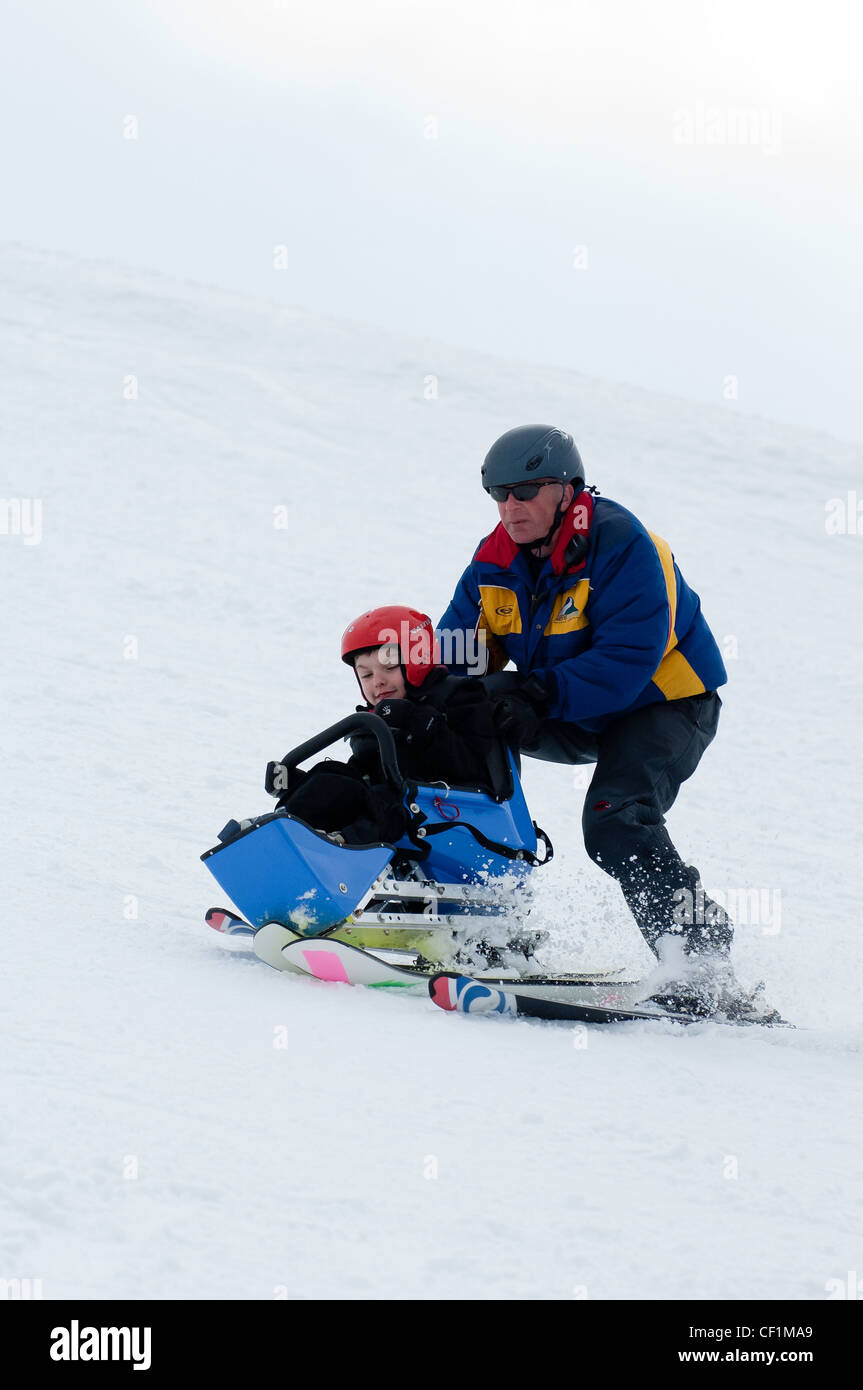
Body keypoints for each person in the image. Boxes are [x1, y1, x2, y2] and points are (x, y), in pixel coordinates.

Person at [438, 423, 766, 1017]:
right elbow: (457, 654)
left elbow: (627, 663)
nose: (510, 508)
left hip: (664, 702)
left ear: (567, 489)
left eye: (525, 491)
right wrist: (413, 695)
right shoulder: (494, 559)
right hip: (569, 703)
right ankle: (472, 916)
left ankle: (702, 964)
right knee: (457, 717)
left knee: (614, 820)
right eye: (498, 495)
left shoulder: (624, 544)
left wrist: (533, 693)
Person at [267, 605, 505, 845]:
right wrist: (298, 784)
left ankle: (346, 848)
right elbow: (363, 778)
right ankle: (282, 828)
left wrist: (422, 724)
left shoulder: (459, 696)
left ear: (417, 660)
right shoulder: (373, 722)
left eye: (389, 668)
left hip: (461, 813)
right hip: (401, 817)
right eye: (367, 676)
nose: (378, 682)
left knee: (387, 797)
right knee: (332, 777)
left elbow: (474, 763)